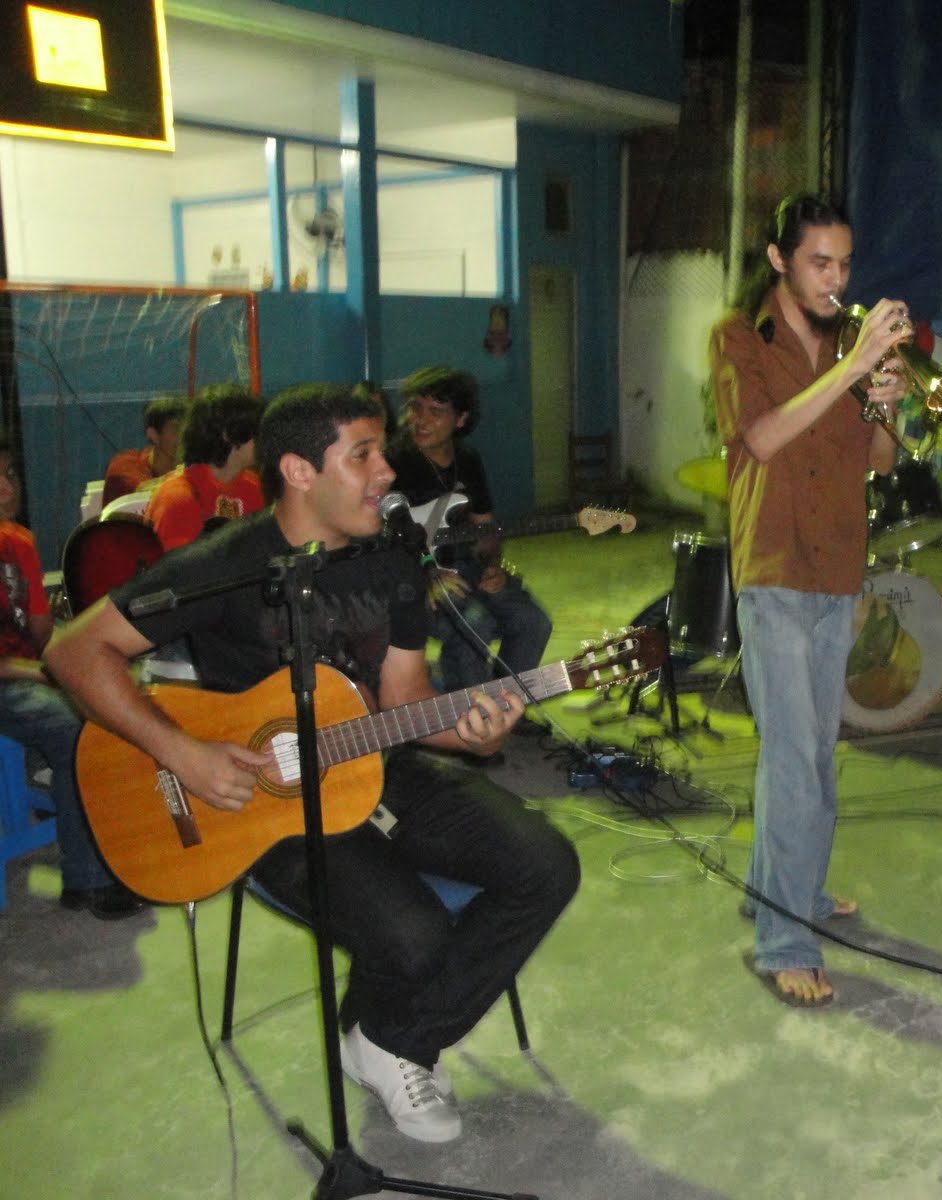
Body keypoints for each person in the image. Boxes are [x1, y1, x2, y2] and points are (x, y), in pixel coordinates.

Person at [46, 384, 581, 1142]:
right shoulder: (224, 563)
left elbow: (407, 697)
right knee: (414, 934)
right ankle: (398, 1036)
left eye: (382, 451)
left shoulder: (395, 563)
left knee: (546, 864)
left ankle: (390, 1040)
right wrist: (185, 755)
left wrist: (476, 734)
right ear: (298, 471)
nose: (387, 472)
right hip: (257, 804)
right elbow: (73, 653)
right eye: (362, 455)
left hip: (376, 768)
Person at [711, 194, 910, 1007]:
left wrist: (887, 397)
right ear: (779, 260)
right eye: (819, 262)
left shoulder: (843, 348)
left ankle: (785, 884)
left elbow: (882, 461)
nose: (836, 279)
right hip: (775, 564)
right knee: (793, 755)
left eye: (845, 263)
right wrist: (855, 368)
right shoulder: (738, 340)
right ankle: (783, 937)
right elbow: (759, 438)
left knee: (814, 750)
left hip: (837, 562)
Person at [0, 432, 144, 918]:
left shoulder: (17, 541)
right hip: (8, 680)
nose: (7, 487)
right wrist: (40, 672)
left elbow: (43, 632)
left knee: (118, 696)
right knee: (74, 730)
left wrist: (81, 656)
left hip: (22, 672)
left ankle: (124, 847)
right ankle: (87, 880)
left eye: (11, 475)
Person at [385, 366, 553, 696]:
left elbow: (486, 528)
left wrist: (492, 565)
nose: (421, 420)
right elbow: (379, 541)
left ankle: (507, 708)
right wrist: (426, 576)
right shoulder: (392, 463)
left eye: (436, 412)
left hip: (465, 568)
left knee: (533, 622)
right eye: (415, 408)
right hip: (409, 579)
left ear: (460, 420)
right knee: (476, 624)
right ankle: (469, 720)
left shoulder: (468, 460)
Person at [145, 384, 264, 550]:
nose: (263, 439)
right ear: (229, 434)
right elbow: (177, 572)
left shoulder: (254, 487)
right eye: (256, 430)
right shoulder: (178, 499)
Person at [102, 394, 188, 504]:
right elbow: (143, 492)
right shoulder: (124, 464)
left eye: (188, 429)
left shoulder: (196, 464)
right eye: (177, 429)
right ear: (153, 435)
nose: (185, 436)